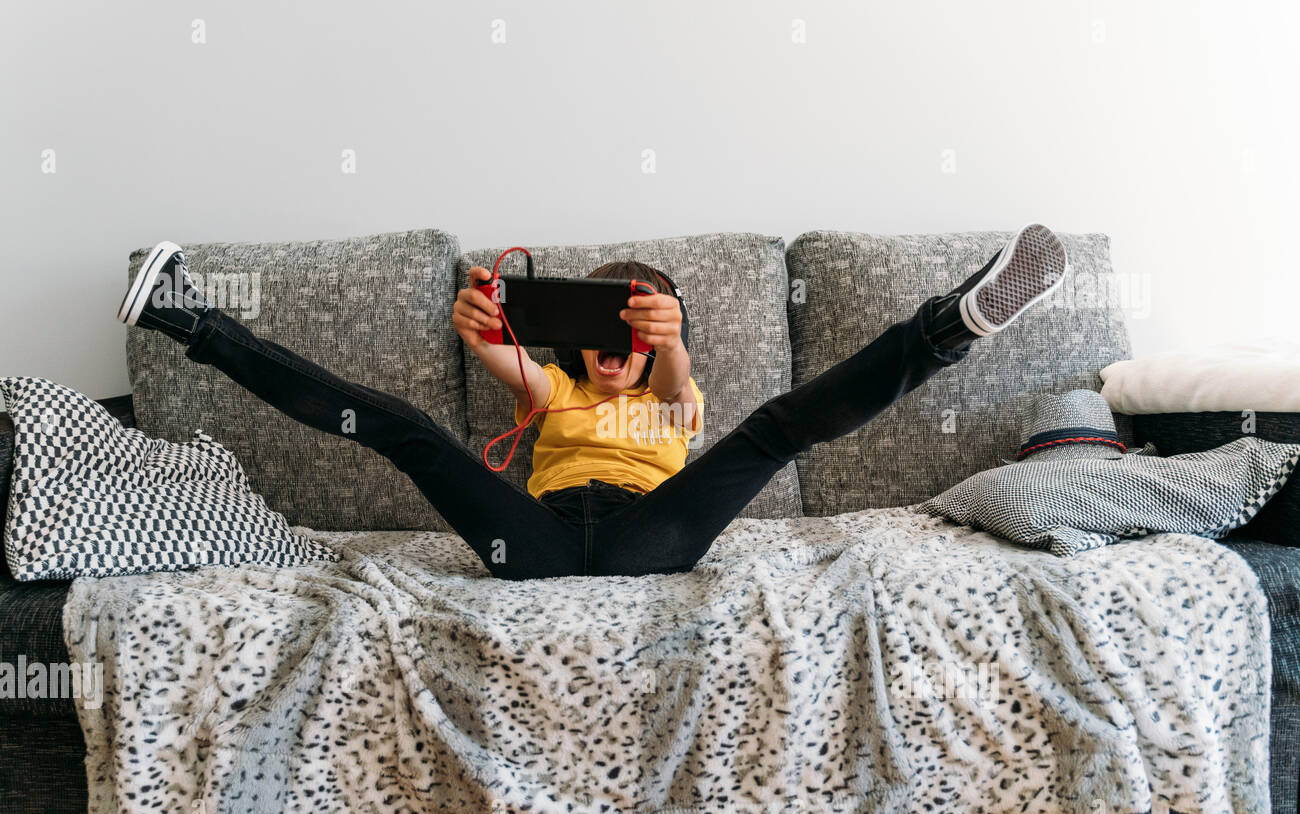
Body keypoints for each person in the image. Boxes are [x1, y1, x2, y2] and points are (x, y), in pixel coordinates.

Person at [116, 225, 1067, 580]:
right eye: (603, 338)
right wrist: (477, 314)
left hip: (651, 537)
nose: (617, 354)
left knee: (774, 429)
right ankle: (191, 319)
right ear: (580, 348)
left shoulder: (671, 399)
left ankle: (950, 326)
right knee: (405, 432)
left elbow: (679, 382)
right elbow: (490, 347)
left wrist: (669, 337)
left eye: (635, 335)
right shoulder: (559, 387)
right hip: (526, 541)